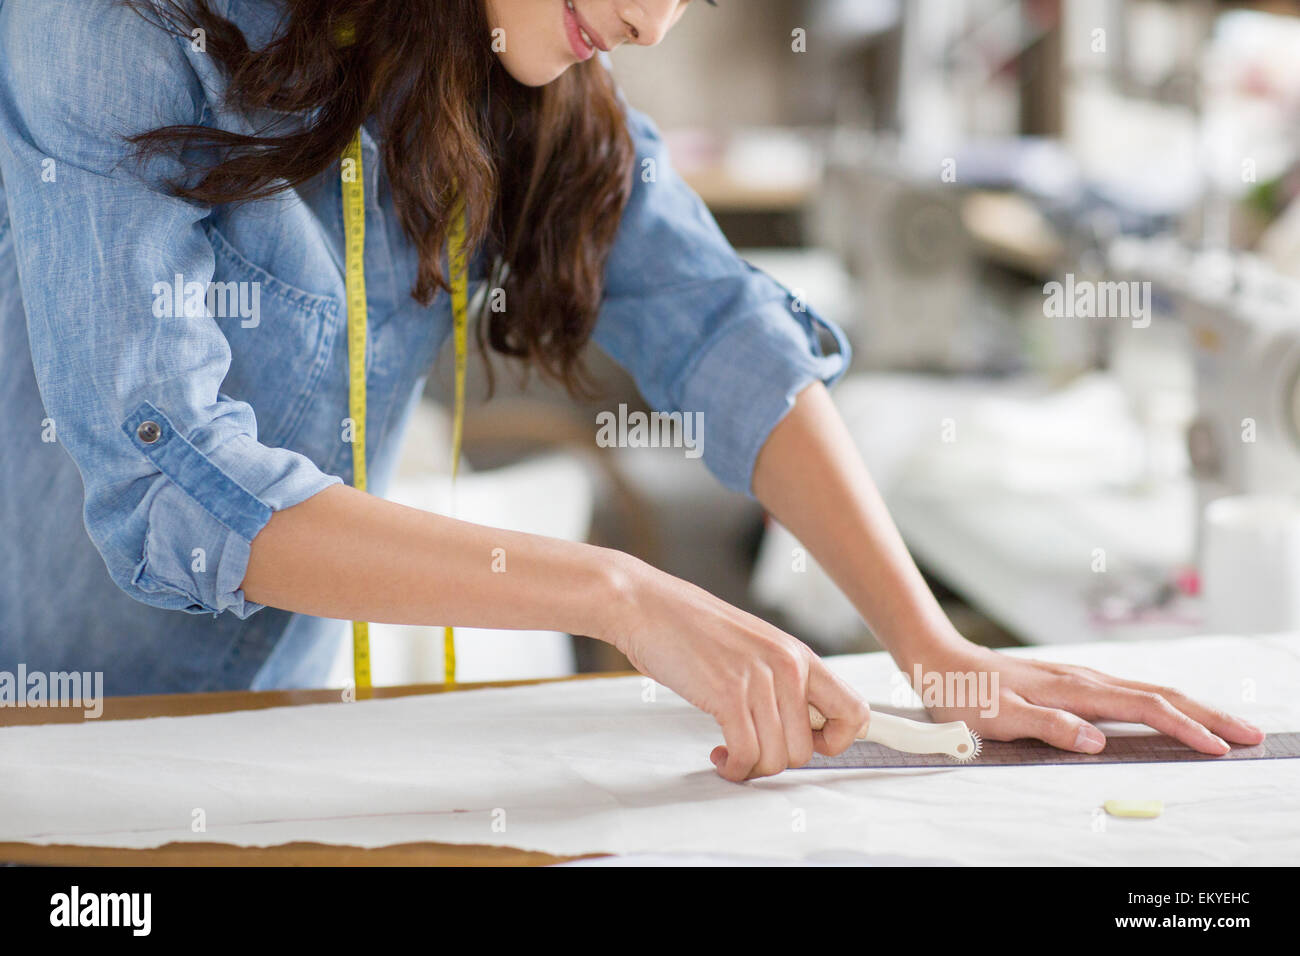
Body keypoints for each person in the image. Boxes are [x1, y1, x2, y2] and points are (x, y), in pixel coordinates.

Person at [0, 0, 1263, 780]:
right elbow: (175, 477)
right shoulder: (113, 25)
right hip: (36, 734)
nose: (658, 24)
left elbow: (716, 321)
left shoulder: (504, 64)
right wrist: (621, 592)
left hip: (268, 737)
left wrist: (930, 646)